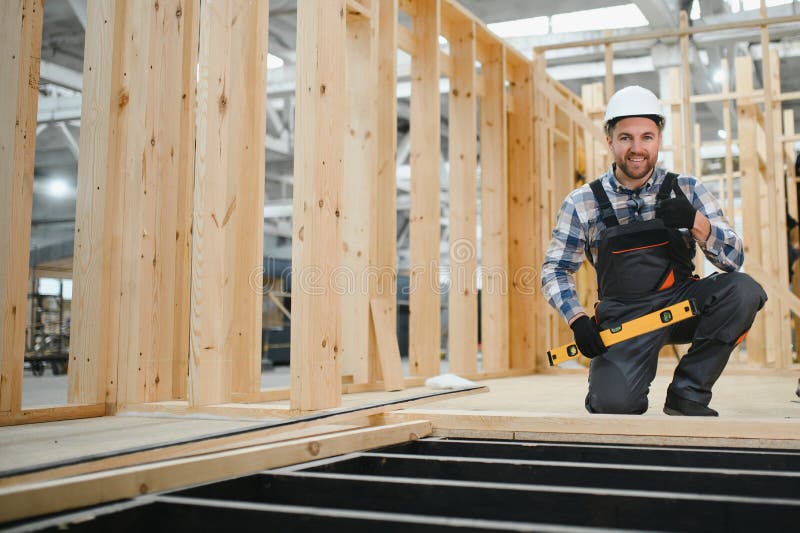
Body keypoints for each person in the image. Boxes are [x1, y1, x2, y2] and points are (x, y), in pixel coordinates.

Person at [541, 85, 767, 416]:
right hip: (624, 318)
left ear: (659, 139)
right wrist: (577, 320)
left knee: (744, 291)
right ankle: (616, 385)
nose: (637, 148)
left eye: (647, 137)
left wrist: (696, 222)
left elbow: (734, 260)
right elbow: (554, 270)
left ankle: (688, 392)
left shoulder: (686, 189)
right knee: (613, 406)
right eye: (625, 138)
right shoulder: (582, 202)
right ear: (610, 141)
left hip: (682, 304)